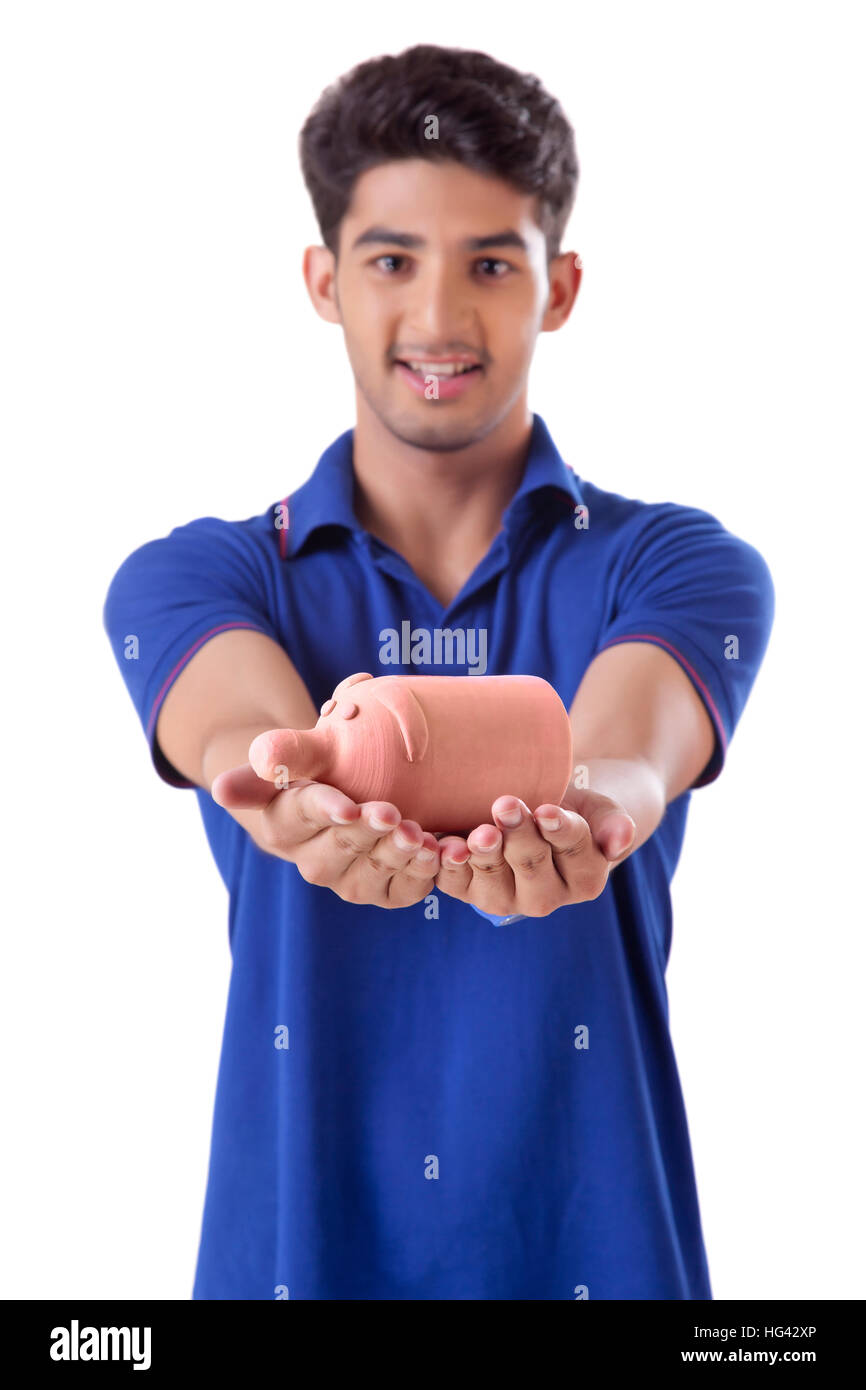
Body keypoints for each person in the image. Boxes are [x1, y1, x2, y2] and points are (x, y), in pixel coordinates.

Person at [103, 44, 774, 1300]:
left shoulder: (677, 566)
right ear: (323, 280)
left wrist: (602, 802)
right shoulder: (196, 577)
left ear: (558, 287)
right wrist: (287, 786)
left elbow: (629, 740)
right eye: (391, 259)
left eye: (490, 264)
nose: (437, 319)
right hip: (295, 1258)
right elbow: (242, 724)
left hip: (597, 1252)